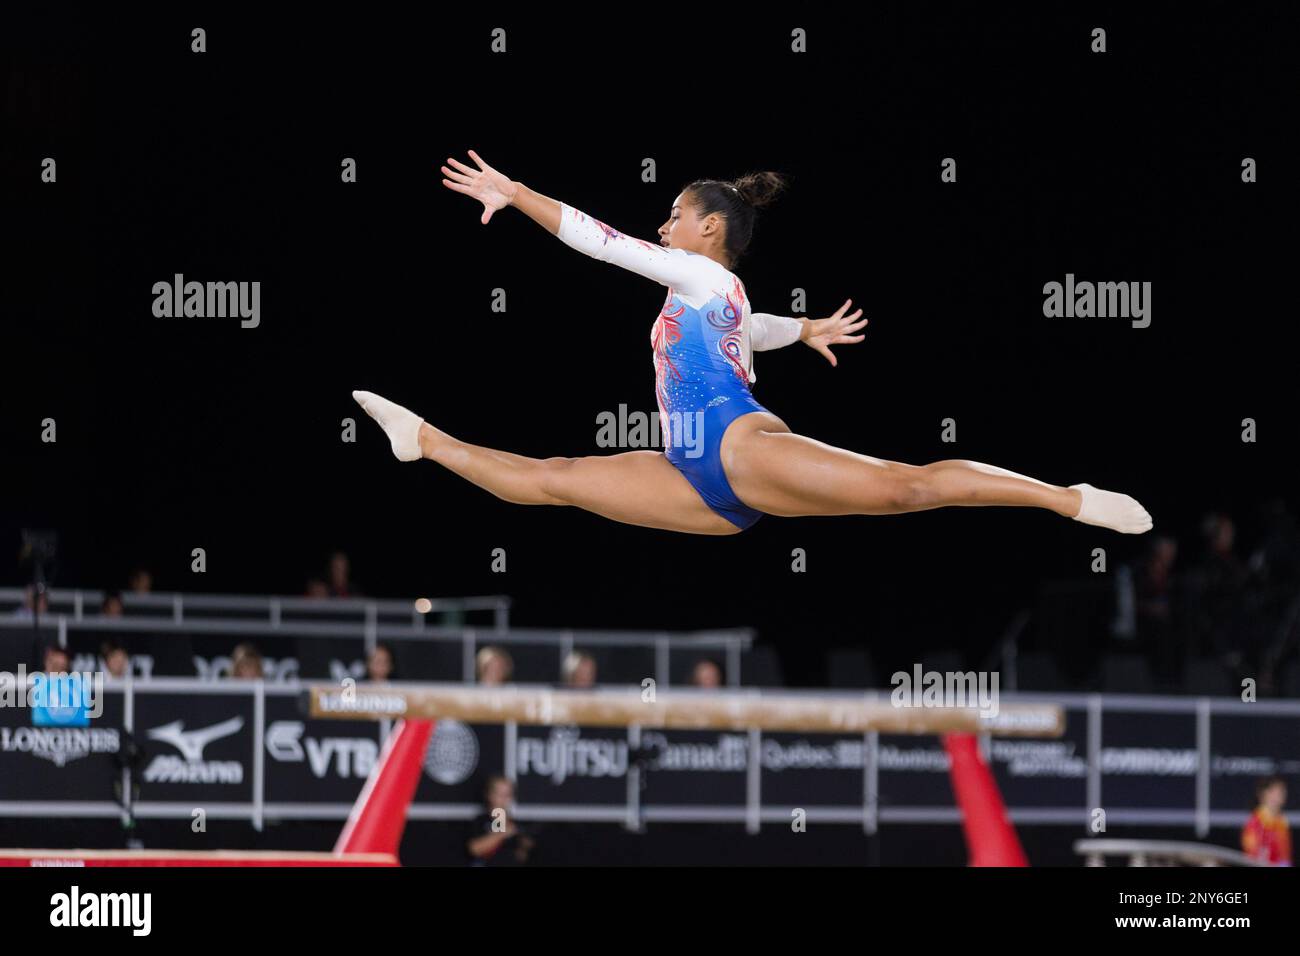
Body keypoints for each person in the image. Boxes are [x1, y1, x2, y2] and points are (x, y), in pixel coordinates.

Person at [353, 150, 1152, 538]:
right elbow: (752, 328)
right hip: (696, 480)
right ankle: (422, 440)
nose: (662, 226)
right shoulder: (712, 296)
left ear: (709, 228)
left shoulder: (697, 276)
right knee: (558, 479)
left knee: (902, 490)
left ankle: (1066, 497)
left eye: (673, 215)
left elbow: (601, 242)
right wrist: (802, 329)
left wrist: (517, 192)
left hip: (738, 447)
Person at [465, 775, 535, 866]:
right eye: (499, 794)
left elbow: (523, 853)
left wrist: (524, 847)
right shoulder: (481, 821)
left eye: (508, 794)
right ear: (489, 795)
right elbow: (474, 849)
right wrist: (502, 834)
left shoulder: (517, 824)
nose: (504, 799)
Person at [1241, 775, 1291, 865]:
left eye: (1281, 792)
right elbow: (1251, 853)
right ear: (1262, 794)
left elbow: (1284, 854)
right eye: (1273, 792)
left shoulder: (1281, 821)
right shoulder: (1255, 822)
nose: (1278, 796)